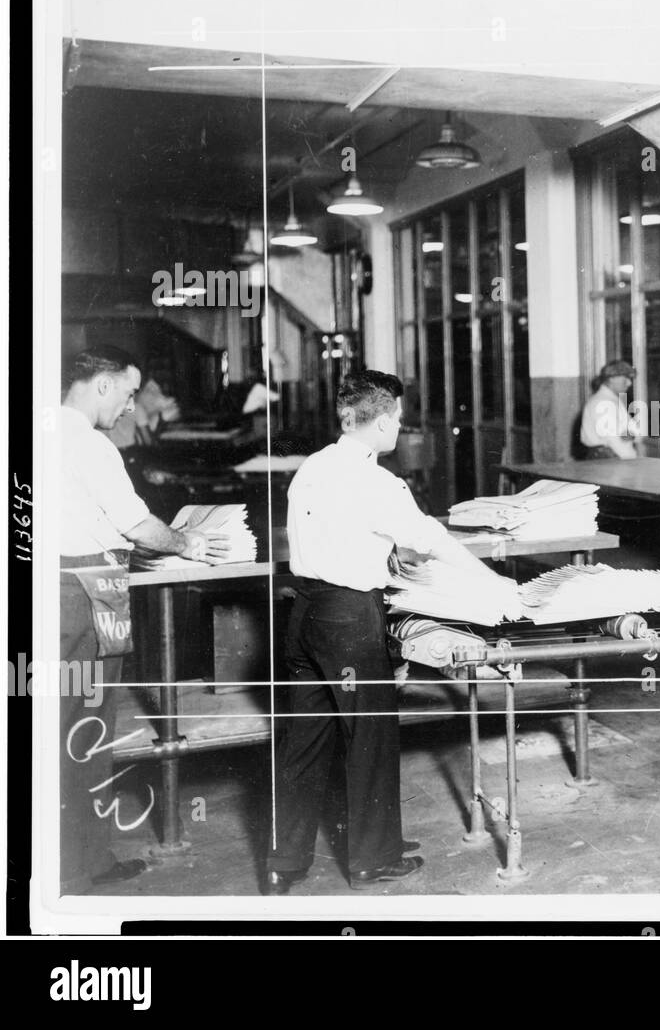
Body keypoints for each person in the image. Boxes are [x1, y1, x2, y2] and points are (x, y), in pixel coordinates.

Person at [266, 369, 515, 893]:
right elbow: (430, 539)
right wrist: (492, 582)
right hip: (349, 620)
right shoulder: (378, 482)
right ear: (380, 422)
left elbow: (338, 536)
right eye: (398, 418)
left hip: (303, 614)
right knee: (370, 737)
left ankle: (284, 863)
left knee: (304, 741)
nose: (400, 427)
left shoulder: (312, 466)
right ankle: (372, 858)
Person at [59, 346, 228, 895]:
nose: (132, 407)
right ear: (103, 385)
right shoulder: (91, 444)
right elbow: (136, 524)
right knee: (86, 730)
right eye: (129, 394)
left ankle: (69, 863)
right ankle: (79, 868)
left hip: (51, 589)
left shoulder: (36, 428)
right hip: (87, 593)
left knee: (55, 730)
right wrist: (187, 542)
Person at [578, 359, 640, 460]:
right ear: (611, 378)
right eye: (626, 378)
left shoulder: (612, 400)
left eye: (630, 379)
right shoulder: (602, 402)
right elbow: (613, 440)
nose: (629, 383)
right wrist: (631, 459)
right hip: (608, 458)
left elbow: (634, 430)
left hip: (614, 457)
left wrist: (629, 433)